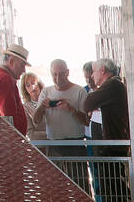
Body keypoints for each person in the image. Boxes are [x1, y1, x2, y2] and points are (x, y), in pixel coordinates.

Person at [82, 58, 132, 202]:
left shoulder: (112, 86)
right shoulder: (112, 87)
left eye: (94, 72)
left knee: (113, 191)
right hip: (106, 148)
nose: (92, 76)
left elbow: (88, 102)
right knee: (109, 190)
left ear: (102, 70)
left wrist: (94, 104)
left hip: (110, 148)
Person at [35, 59, 92, 195]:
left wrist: (71, 110)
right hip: (54, 145)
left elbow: (86, 121)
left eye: (61, 74)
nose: (57, 78)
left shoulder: (79, 92)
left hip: (75, 144)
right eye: (54, 74)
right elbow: (36, 120)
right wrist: (43, 107)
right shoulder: (46, 92)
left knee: (81, 189)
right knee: (56, 190)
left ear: (67, 73)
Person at [0, 44, 31, 135]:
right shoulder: (5, 79)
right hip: (4, 140)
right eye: (22, 65)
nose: (24, 70)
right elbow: (8, 117)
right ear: (11, 62)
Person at [82, 61, 106, 202]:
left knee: (107, 175)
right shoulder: (83, 92)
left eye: (91, 77)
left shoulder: (105, 92)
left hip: (105, 139)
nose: (89, 81)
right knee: (95, 176)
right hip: (90, 138)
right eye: (86, 78)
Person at [20, 71, 48, 142]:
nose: (32, 87)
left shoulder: (49, 101)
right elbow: (31, 134)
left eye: (33, 83)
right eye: (28, 85)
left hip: (58, 145)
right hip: (40, 147)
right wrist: (52, 134)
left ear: (39, 84)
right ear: (25, 89)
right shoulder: (25, 108)